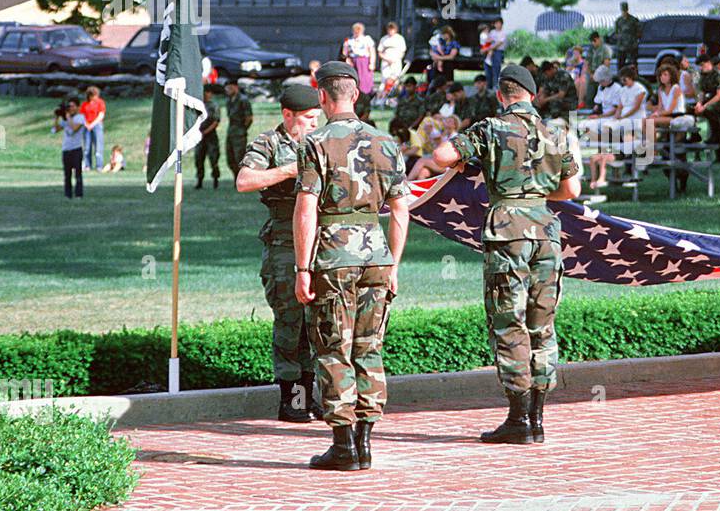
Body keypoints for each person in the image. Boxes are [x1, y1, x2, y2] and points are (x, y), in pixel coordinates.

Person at [431, 63, 582, 444]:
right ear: (531, 96)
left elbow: (441, 156)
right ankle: (538, 419)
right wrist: (535, 194)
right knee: (541, 323)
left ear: (502, 95)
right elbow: (572, 189)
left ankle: (517, 418)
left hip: (506, 232)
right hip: (547, 232)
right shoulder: (556, 132)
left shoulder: (491, 128)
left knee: (509, 321)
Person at [293, 61, 410, 470]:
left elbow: (306, 209)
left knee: (331, 347)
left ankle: (343, 445)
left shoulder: (315, 142)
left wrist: (302, 268)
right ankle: (365, 442)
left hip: (332, 257)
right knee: (368, 345)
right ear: (356, 94)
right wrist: (393, 262)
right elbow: (400, 210)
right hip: (376, 253)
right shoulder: (387, 143)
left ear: (322, 96)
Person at [238, 82, 324, 423]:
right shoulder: (269, 143)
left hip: (319, 242)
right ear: (288, 116)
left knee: (314, 325)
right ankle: (292, 401)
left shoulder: (321, 141)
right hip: (285, 244)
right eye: (307, 118)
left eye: (318, 117)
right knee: (290, 322)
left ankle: (308, 396)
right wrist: (291, 169)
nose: (314, 124)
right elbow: (245, 181)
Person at [694, 53, 720, 163]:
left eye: (702, 65)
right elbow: (701, 92)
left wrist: (705, 106)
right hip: (713, 104)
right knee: (715, 128)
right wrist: (699, 104)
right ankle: (717, 156)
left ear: (709, 64)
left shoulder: (719, 75)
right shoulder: (703, 76)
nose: (701, 68)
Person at [53, 98, 86, 199]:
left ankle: (78, 194)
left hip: (76, 149)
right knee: (67, 174)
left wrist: (68, 117)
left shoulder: (80, 117)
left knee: (78, 173)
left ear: (78, 107)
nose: (70, 108)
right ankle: (68, 194)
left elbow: (75, 128)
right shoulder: (66, 119)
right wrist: (56, 118)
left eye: (72, 106)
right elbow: (55, 130)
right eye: (69, 107)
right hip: (66, 149)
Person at [223, 77, 253, 181]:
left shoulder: (243, 100)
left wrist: (243, 129)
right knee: (230, 157)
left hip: (239, 132)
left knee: (239, 157)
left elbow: (249, 118)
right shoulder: (229, 101)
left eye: (230, 88)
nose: (228, 91)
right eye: (227, 88)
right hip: (231, 132)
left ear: (236, 87)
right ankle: (236, 177)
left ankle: (243, 179)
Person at [196, 86, 222, 189]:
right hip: (199, 137)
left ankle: (215, 179)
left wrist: (205, 132)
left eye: (208, 92)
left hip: (211, 137)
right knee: (198, 159)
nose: (206, 94)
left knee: (213, 159)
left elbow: (216, 122)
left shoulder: (214, 106)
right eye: (205, 92)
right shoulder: (198, 104)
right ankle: (199, 180)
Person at [342, 22, 377, 97]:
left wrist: (372, 63)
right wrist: (347, 60)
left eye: (359, 30)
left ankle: (366, 94)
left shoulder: (367, 39)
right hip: (353, 61)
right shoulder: (349, 40)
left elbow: (372, 52)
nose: (357, 32)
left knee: (365, 79)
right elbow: (345, 53)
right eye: (355, 30)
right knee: (355, 78)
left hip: (364, 61)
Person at [583, 30, 612, 107]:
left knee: (601, 98)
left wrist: (598, 75)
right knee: (589, 97)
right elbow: (587, 63)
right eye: (592, 41)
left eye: (594, 41)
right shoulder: (591, 49)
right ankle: (588, 111)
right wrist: (591, 74)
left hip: (602, 77)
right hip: (592, 76)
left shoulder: (605, 49)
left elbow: (606, 64)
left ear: (599, 39)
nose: (593, 43)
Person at [80, 86, 106, 171]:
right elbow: (82, 116)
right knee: (87, 147)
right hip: (87, 126)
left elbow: (101, 115)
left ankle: (99, 165)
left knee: (98, 146)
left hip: (97, 125)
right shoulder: (85, 104)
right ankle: (87, 165)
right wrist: (86, 124)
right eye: (94, 95)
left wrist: (92, 124)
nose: (96, 97)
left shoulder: (100, 102)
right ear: (90, 96)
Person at [378, 21, 407, 91]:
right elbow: (379, 52)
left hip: (396, 62)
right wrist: (387, 59)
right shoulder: (384, 39)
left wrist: (395, 59)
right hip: (386, 62)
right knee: (385, 80)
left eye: (392, 29)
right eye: (389, 29)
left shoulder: (400, 38)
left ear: (395, 30)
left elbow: (403, 51)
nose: (390, 31)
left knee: (396, 79)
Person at [429, 25, 459, 91]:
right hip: (437, 65)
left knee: (448, 83)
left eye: (445, 34)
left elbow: (451, 56)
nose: (443, 36)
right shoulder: (440, 42)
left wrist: (439, 58)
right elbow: (433, 51)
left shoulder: (454, 43)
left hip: (448, 65)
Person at [614, 2, 641, 71]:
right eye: (623, 10)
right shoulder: (618, 21)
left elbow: (639, 33)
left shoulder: (633, 20)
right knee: (620, 64)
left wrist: (634, 40)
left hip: (631, 46)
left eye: (625, 10)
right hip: (621, 46)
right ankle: (621, 77)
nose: (624, 12)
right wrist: (619, 38)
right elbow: (616, 33)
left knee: (633, 64)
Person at [482, 18, 506, 88]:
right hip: (489, 53)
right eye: (496, 23)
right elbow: (487, 40)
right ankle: (488, 86)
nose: (498, 25)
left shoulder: (503, 33)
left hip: (498, 52)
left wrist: (487, 49)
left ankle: (496, 87)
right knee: (488, 71)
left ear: (502, 24)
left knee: (496, 71)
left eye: (499, 23)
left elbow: (498, 44)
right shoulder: (492, 32)